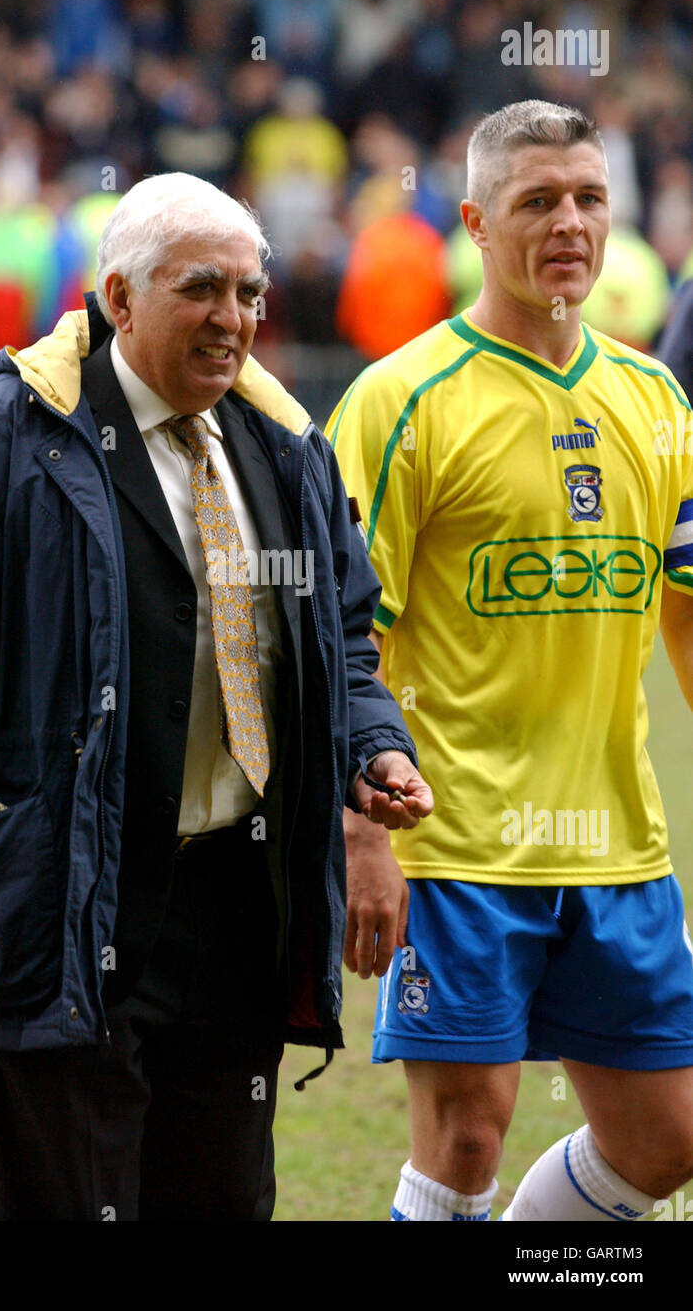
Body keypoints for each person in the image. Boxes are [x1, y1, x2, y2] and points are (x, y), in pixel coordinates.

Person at [0, 172, 432, 1222]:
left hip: (241, 914)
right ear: (118, 297)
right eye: (201, 289)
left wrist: (371, 749)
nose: (234, 318)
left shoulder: (284, 449)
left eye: (249, 292)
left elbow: (339, 636)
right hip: (59, 891)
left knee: (220, 1202)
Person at [327, 100, 693, 1223]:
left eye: (587, 198)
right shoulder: (399, 400)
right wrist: (358, 835)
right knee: (465, 1132)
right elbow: (343, 639)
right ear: (478, 226)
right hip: (452, 839)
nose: (569, 223)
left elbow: (684, 608)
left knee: (665, 1138)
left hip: (614, 842)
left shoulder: (655, 398)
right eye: (537, 201)